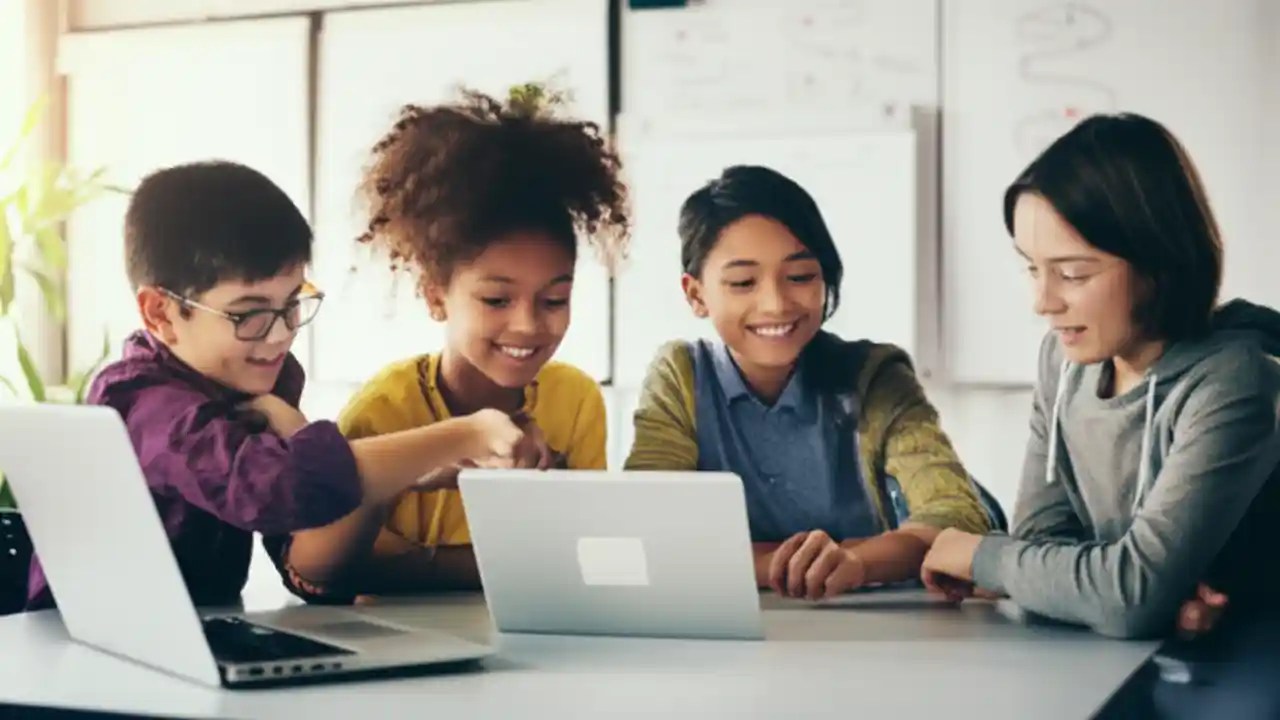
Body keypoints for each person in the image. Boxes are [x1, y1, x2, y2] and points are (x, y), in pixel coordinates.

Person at [26, 161, 523, 610]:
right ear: (161, 313)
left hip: (200, 639)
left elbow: (302, 563)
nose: (281, 334)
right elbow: (281, 487)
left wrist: (402, 475)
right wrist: (463, 433)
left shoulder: (257, 378)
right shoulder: (143, 403)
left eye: (292, 305)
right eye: (248, 314)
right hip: (80, 659)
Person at [920, 113, 1280, 639]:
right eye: (1030, 267)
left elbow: (1126, 598)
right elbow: (1045, 538)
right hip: (1133, 650)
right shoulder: (1062, 360)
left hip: (1250, 652)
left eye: (1072, 274)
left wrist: (981, 555)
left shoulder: (1233, 382)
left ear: (1159, 265)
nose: (1043, 302)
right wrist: (1132, 592)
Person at [275, 84, 629, 598]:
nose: (529, 326)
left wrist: (422, 566)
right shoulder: (383, 411)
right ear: (436, 296)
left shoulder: (575, 401)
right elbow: (334, 575)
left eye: (554, 301)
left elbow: (580, 555)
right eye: (496, 301)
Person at [626, 164, 991, 600]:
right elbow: (648, 530)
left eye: (800, 277)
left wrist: (855, 564)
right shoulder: (680, 376)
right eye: (743, 282)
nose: (776, 304)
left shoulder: (875, 377)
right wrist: (795, 564)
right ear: (696, 295)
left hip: (869, 628)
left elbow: (957, 522)